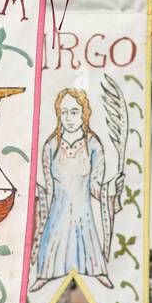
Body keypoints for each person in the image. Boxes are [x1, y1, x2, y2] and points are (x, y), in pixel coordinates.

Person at [31, 88, 114, 290]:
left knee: (88, 248)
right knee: (51, 247)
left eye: (74, 112)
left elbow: (95, 186)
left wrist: (112, 188)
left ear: (84, 113)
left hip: (83, 212)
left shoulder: (93, 144)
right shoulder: (51, 145)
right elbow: (47, 187)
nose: (69, 118)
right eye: (64, 112)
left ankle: (98, 271)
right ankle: (44, 274)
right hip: (57, 211)